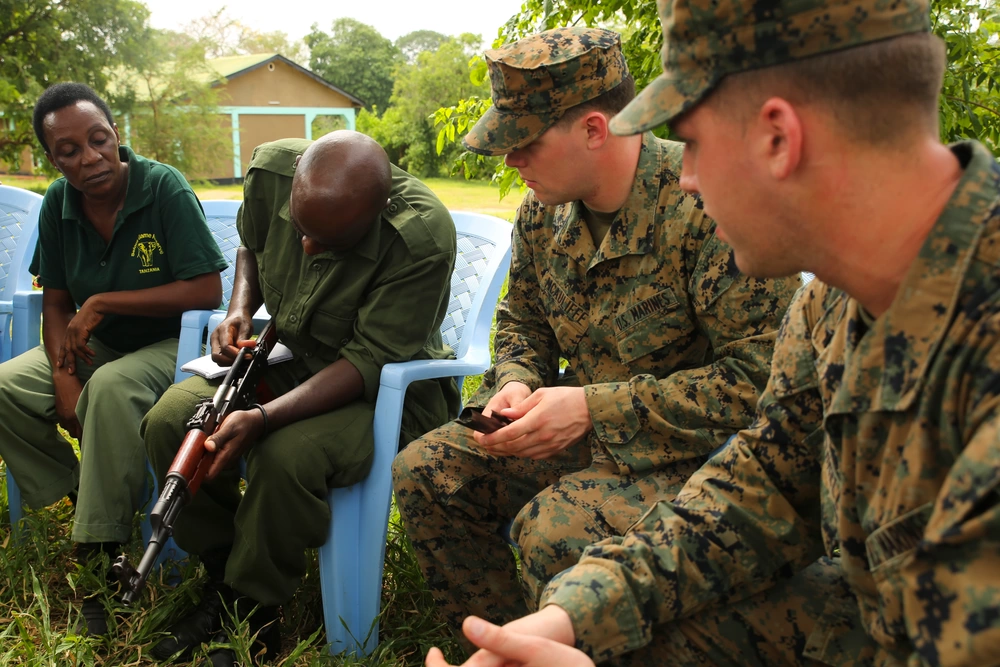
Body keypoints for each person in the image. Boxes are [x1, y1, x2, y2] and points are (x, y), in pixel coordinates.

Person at [429, 0, 1000, 665]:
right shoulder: (832, 306)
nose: (687, 178)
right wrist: (567, 620)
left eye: (695, 143)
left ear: (779, 139)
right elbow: (759, 488)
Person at [392, 26, 802, 649]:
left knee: (554, 530)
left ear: (593, 129)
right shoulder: (542, 211)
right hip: (576, 429)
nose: (510, 161)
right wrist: (516, 381)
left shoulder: (706, 204)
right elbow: (523, 319)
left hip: (692, 452)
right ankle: (498, 646)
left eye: (525, 142)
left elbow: (762, 382)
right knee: (430, 471)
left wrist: (592, 408)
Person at [141, 130, 459, 665]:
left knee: (286, 455)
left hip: (381, 392)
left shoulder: (420, 239)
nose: (307, 246)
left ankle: (252, 606)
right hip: (294, 359)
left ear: (373, 217)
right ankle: (223, 573)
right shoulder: (271, 172)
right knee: (173, 420)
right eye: (301, 229)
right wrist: (240, 307)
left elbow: (367, 361)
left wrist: (263, 418)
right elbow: (251, 244)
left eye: (327, 241)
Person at [0, 82, 227, 636]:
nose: (90, 157)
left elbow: (205, 290)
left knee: (110, 388)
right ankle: (85, 494)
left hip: (173, 344)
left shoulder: (162, 187)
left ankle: (100, 560)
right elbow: (56, 302)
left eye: (98, 139)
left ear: (116, 135)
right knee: (5, 388)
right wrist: (62, 376)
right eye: (69, 150)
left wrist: (102, 302)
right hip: (95, 344)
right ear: (54, 160)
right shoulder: (59, 203)